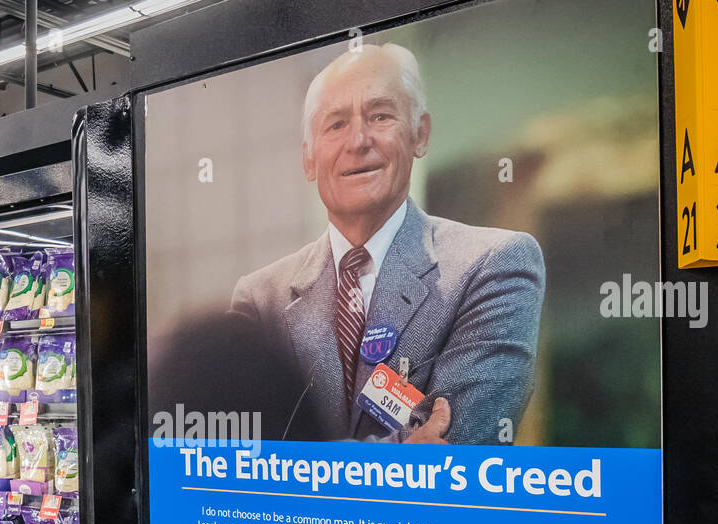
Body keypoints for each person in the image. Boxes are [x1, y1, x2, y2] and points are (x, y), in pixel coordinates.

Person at [229, 42, 545, 444]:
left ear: (420, 134)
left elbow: (460, 455)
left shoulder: (496, 266)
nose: (358, 140)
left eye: (380, 116)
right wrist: (401, 448)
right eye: (336, 124)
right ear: (308, 158)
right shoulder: (259, 300)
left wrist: (303, 464)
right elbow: (240, 460)